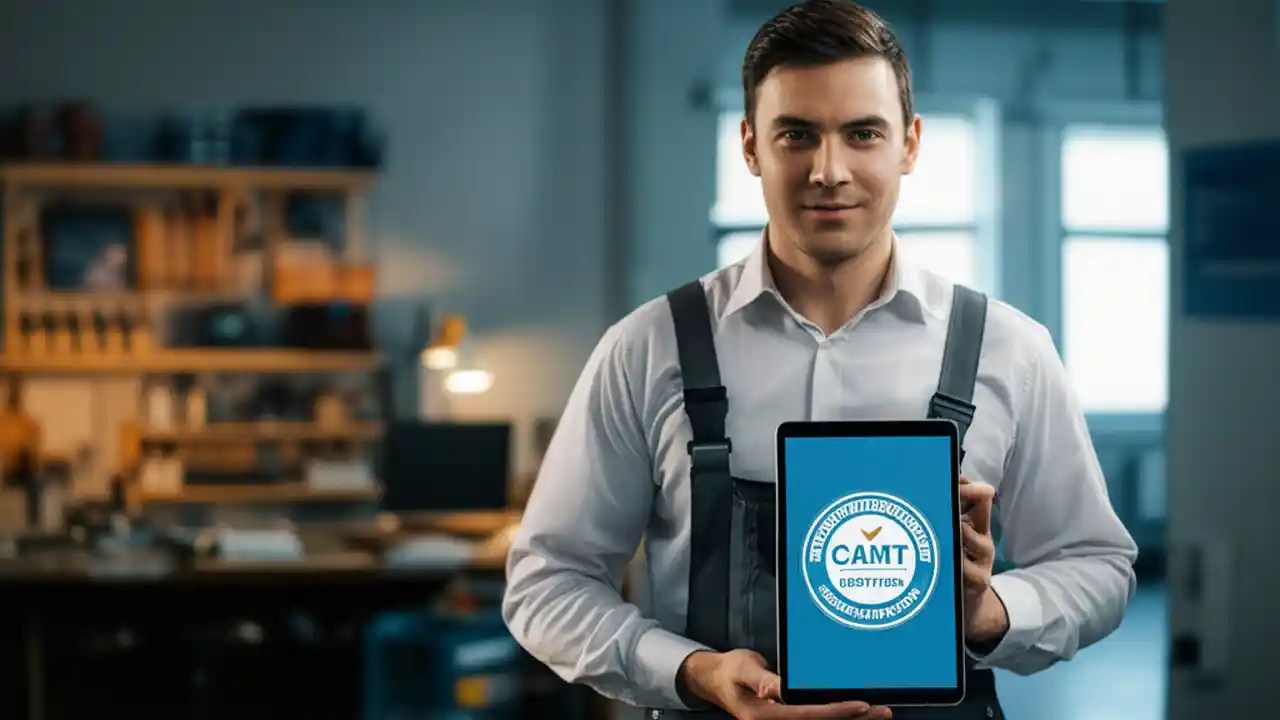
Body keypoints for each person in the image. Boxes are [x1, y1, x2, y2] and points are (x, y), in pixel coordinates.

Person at [502, 1, 1138, 718]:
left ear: (910, 144)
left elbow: (1100, 569)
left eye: (862, 133)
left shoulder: (1009, 350)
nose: (828, 170)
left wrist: (989, 611)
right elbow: (546, 583)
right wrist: (692, 672)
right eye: (796, 135)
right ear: (750, 146)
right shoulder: (647, 348)